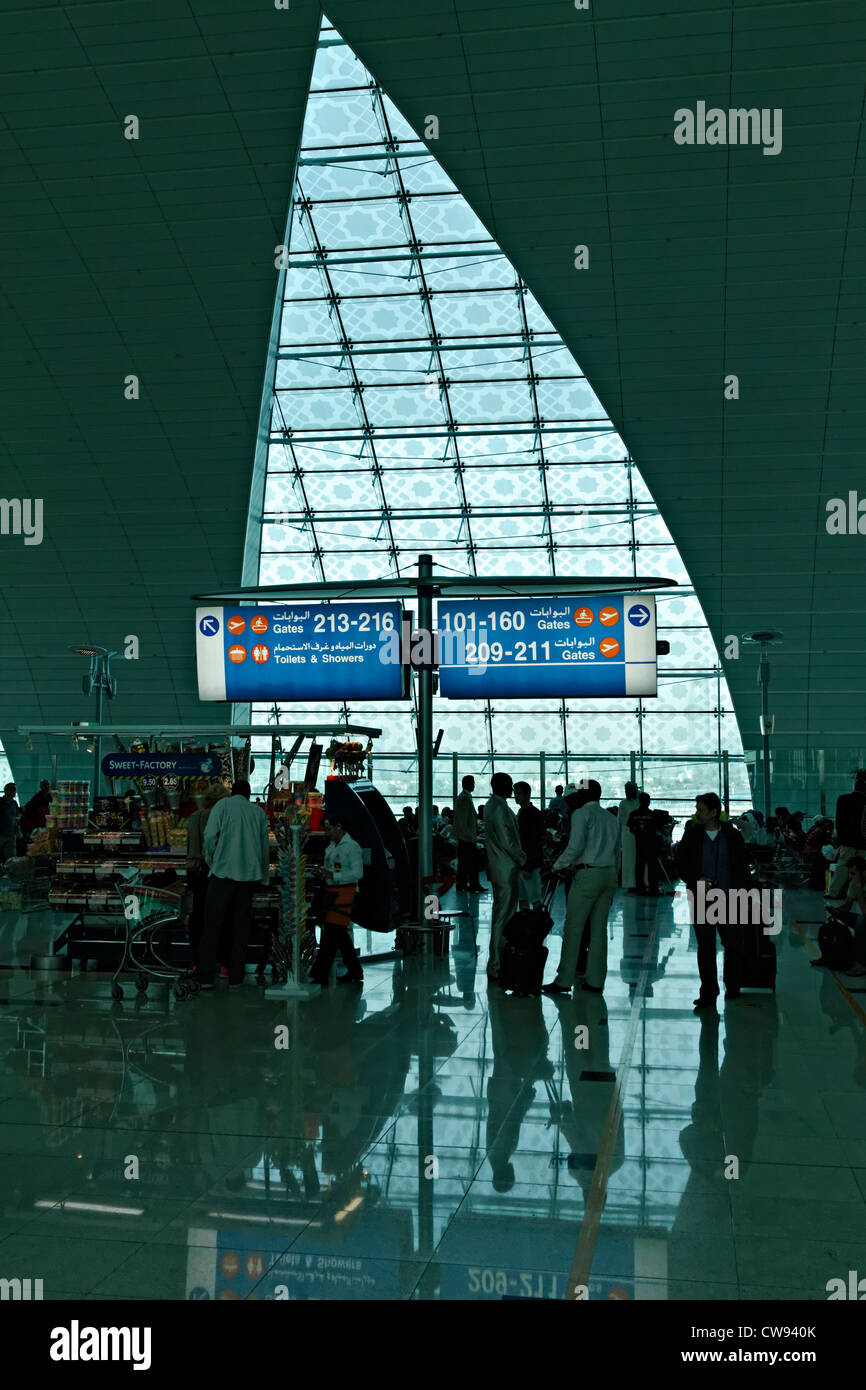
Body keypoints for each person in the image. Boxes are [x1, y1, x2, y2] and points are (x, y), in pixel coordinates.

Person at [675, 792, 751, 1012]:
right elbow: (680, 864)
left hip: (730, 898)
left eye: (701, 809)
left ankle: (733, 985)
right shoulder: (692, 835)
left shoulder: (732, 836)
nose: (697, 813)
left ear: (714, 812)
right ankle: (708, 991)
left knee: (733, 944)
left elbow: (743, 867)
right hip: (702, 898)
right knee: (706, 947)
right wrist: (694, 878)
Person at [543, 779, 620, 996]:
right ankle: (596, 980)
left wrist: (556, 865)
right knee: (598, 931)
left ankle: (564, 979)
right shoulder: (611, 818)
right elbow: (617, 852)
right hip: (609, 875)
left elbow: (575, 847)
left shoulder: (581, 815)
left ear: (584, 795)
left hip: (587, 875)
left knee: (573, 928)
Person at [197, 780, 270, 990]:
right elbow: (264, 849)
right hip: (248, 878)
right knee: (241, 929)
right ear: (248, 794)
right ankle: (236, 979)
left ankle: (205, 979)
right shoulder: (258, 813)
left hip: (223, 873)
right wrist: (263, 878)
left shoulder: (223, 805)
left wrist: (210, 859)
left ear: (232, 792)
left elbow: (210, 835)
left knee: (212, 927)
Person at [309, 817, 365, 986]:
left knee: (331, 934)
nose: (327, 832)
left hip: (346, 894)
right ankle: (355, 971)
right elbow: (336, 868)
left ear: (339, 827)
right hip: (332, 893)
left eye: (330, 829)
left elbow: (357, 873)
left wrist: (333, 875)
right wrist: (324, 873)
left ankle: (320, 974)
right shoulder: (331, 848)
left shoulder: (352, 847)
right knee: (338, 934)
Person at [483, 773, 526, 981]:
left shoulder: (492, 805)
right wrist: (523, 858)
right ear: (501, 786)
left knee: (502, 915)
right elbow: (507, 841)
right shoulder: (499, 808)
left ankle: (499, 961)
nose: (511, 788)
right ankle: (497, 964)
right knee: (503, 918)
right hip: (505, 869)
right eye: (509, 785)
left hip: (500, 867)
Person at [185, 782, 229, 964]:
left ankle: (197, 959)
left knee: (197, 916)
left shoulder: (194, 817)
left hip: (194, 872)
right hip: (214, 873)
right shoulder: (222, 818)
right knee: (218, 917)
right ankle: (218, 959)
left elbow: (189, 845)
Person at [827, 774, 866, 899]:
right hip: (863, 841)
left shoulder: (843, 799)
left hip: (848, 840)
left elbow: (839, 820)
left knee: (842, 866)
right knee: (860, 869)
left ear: (854, 787)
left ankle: (833, 892)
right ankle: (853, 894)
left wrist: (840, 838)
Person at [513, 781, 544, 911]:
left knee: (535, 899)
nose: (516, 797)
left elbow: (536, 842)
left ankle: (538, 927)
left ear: (528, 794)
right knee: (523, 899)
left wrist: (529, 866)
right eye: (515, 794)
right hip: (522, 863)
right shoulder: (521, 813)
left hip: (530, 865)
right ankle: (526, 927)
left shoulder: (534, 815)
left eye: (519, 793)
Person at [453, 775, 485, 892]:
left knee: (464, 862)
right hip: (467, 837)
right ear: (468, 784)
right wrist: (470, 836)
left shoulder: (464, 797)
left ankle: (462, 884)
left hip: (465, 836)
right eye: (473, 783)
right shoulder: (464, 798)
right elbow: (462, 819)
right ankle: (473, 884)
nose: (474, 785)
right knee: (472, 863)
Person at [628, 792, 661, 896]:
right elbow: (658, 827)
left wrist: (639, 833)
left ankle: (640, 889)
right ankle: (653, 889)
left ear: (639, 801)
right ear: (649, 802)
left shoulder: (633, 814)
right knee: (652, 868)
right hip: (651, 844)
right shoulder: (653, 814)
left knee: (639, 867)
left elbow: (630, 828)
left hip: (640, 843)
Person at [617, 781, 640, 890]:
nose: (626, 792)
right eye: (625, 790)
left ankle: (641, 882)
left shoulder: (640, 801)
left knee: (639, 858)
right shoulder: (623, 803)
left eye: (629, 790)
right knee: (628, 859)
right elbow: (620, 819)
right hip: (627, 834)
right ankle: (630, 883)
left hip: (640, 833)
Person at [18, 780, 52, 844]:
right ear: (41, 787)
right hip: (37, 828)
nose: (47, 786)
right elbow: (28, 813)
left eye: (48, 785)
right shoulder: (36, 798)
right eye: (45, 785)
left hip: (45, 827)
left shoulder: (50, 798)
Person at [0, 783, 20, 863]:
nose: (13, 791)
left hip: (11, 836)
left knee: (11, 861)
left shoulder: (14, 804)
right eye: (11, 789)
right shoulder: (0, 803)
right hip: (1, 835)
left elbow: (16, 818)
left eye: (14, 789)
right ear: (5, 791)